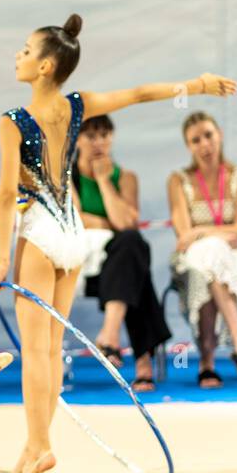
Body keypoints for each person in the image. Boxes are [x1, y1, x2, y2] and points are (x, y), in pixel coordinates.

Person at [0, 13, 235, 473]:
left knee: (37, 351)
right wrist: (198, 84)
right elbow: (141, 93)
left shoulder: (14, 121)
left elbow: (6, 194)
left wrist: (3, 257)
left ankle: (40, 443)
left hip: (42, 232)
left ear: (45, 66)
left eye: (25, 50)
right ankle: (33, 446)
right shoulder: (78, 106)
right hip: (73, 235)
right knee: (53, 343)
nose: (18, 56)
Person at [166, 111, 237, 389]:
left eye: (208, 135)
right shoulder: (178, 180)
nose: (204, 144)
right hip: (192, 258)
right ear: (188, 146)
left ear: (219, 134)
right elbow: (184, 237)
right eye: (195, 140)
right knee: (205, 257)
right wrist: (220, 234)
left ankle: (206, 361)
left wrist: (201, 231)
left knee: (209, 262)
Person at [74, 114, 170, 392]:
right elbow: (76, 220)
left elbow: (126, 223)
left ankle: (109, 335)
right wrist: (112, 222)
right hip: (84, 265)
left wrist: (104, 182)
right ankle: (142, 364)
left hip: (116, 268)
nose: (98, 143)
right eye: (91, 136)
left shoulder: (125, 177)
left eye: (104, 135)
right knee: (133, 252)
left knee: (130, 246)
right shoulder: (68, 177)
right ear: (78, 140)